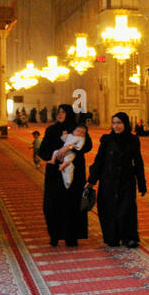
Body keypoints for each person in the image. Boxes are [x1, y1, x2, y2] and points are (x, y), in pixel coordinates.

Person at [88, 112, 146, 248]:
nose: (116, 126)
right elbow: (99, 160)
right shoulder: (107, 140)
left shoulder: (133, 140)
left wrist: (141, 183)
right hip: (108, 180)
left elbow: (138, 162)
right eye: (114, 123)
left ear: (125, 124)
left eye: (119, 123)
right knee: (109, 210)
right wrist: (91, 180)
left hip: (126, 180)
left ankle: (129, 238)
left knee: (127, 210)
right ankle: (112, 237)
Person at [38, 104, 92, 247]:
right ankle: (54, 236)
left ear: (69, 114)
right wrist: (56, 155)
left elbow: (87, 146)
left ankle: (71, 236)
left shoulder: (78, 129)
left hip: (74, 174)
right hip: (55, 173)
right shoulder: (51, 130)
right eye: (58, 112)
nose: (60, 114)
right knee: (53, 205)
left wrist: (69, 147)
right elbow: (42, 151)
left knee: (72, 205)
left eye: (63, 112)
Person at [51, 123, 88, 189]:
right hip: (61, 152)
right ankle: (52, 160)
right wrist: (64, 134)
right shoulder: (70, 135)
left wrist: (70, 147)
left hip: (71, 153)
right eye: (78, 131)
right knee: (55, 152)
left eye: (82, 132)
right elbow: (63, 139)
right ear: (73, 131)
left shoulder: (81, 138)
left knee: (68, 161)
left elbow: (79, 147)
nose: (80, 133)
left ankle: (62, 167)